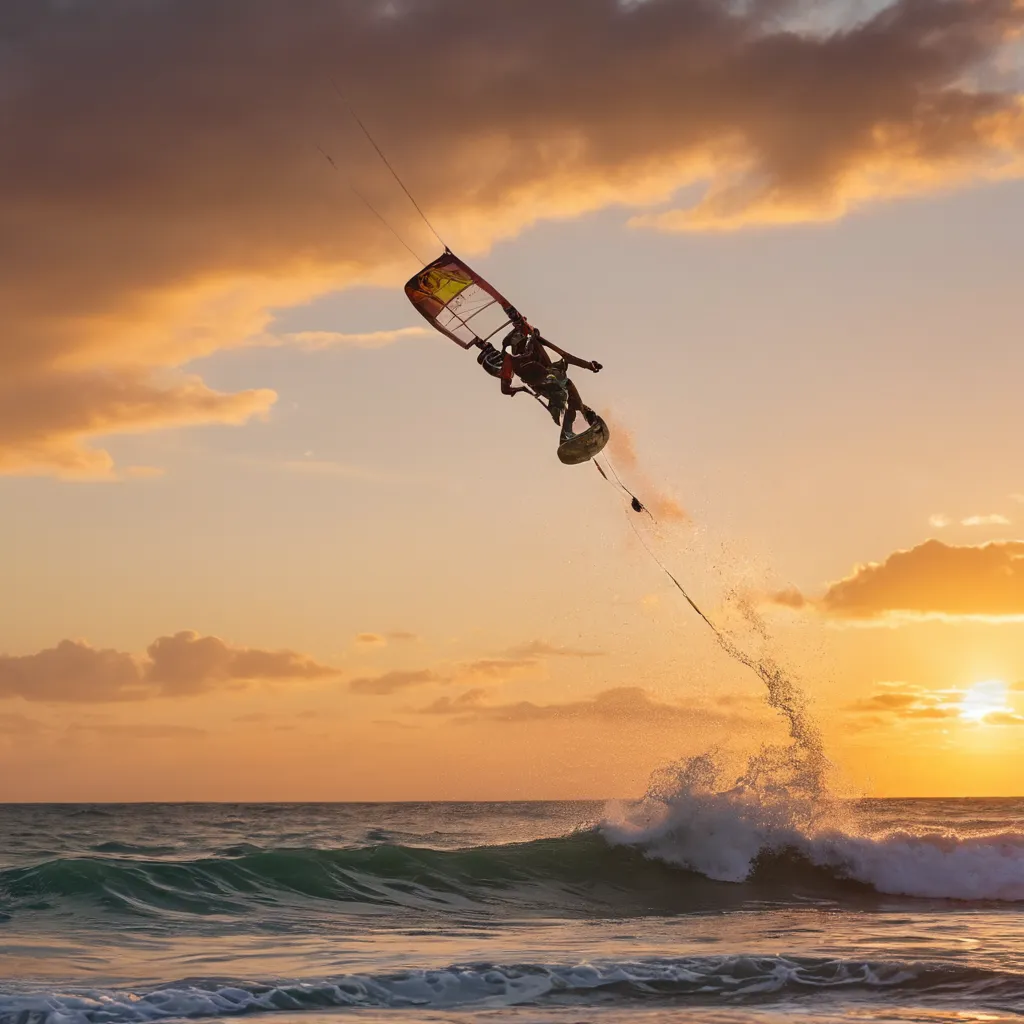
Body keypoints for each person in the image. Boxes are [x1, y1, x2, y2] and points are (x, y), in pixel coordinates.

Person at [498, 317, 602, 442]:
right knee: (563, 404)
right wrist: (519, 388)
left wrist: (589, 365)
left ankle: (588, 418)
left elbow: (565, 356)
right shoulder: (510, 359)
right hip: (544, 386)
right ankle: (568, 433)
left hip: (557, 380)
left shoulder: (535, 343)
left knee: (573, 403)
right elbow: (505, 387)